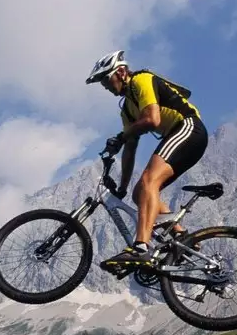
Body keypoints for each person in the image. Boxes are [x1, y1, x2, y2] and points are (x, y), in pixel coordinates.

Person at [85, 49, 208, 270]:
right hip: (178, 136)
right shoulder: (127, 111)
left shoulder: (142, 80)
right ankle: (181, 237)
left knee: (149, 181)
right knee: (139, 192)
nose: (105, 87)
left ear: (121, 72)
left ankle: (140, 247)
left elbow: (152, 119)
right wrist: (122, 188)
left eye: (106, 80)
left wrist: (121, 137)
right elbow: (130, 149)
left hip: (188, 128)